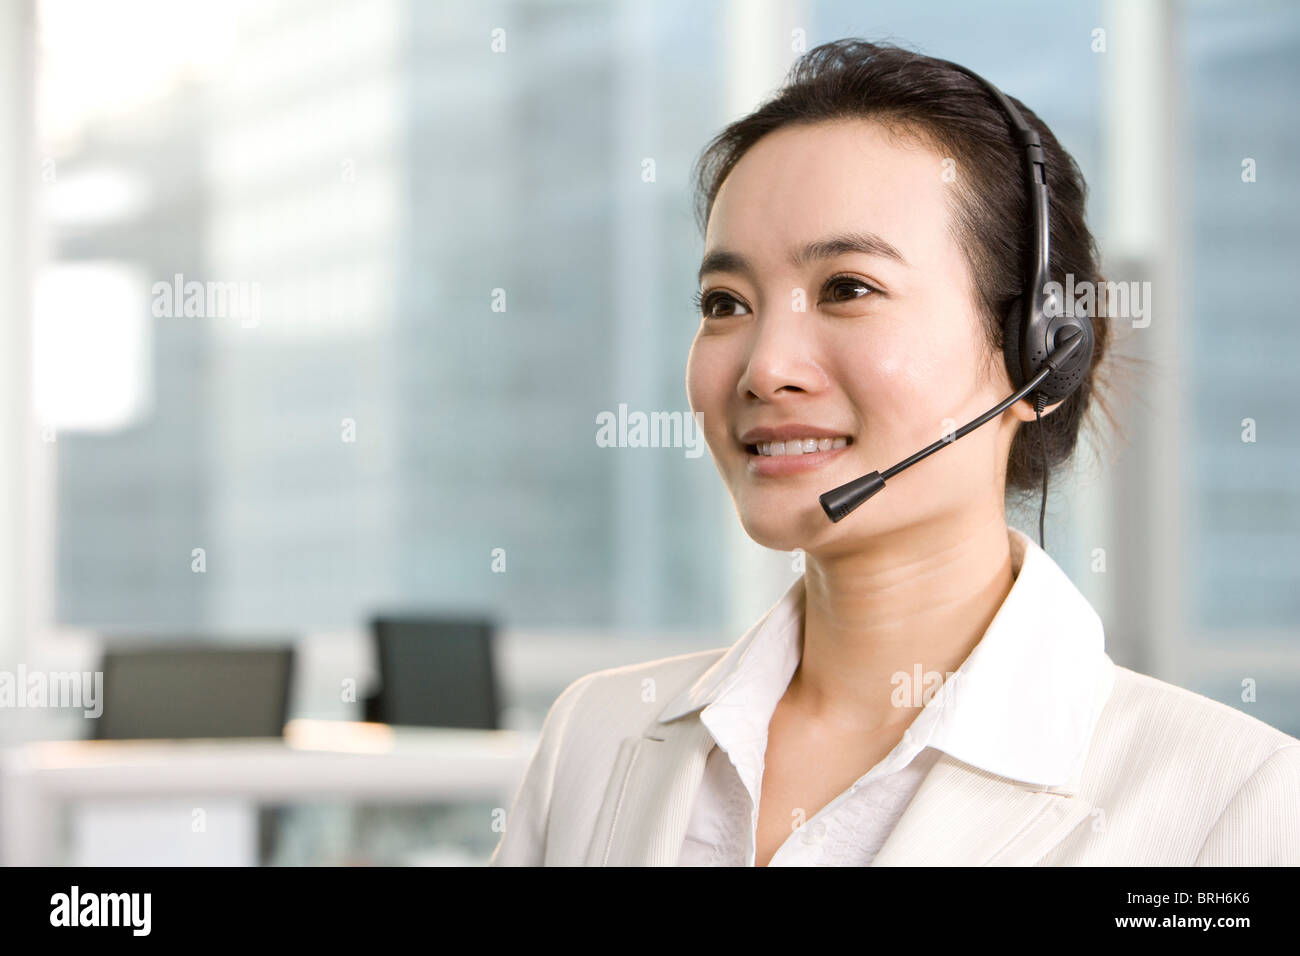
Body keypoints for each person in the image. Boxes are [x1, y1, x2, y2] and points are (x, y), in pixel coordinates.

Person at [489, 39, 1300, 866]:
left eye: (848, 289)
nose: (765, 369)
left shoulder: (1233, 802)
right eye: (725, 302)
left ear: (1042, 356)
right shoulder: (593, 739)